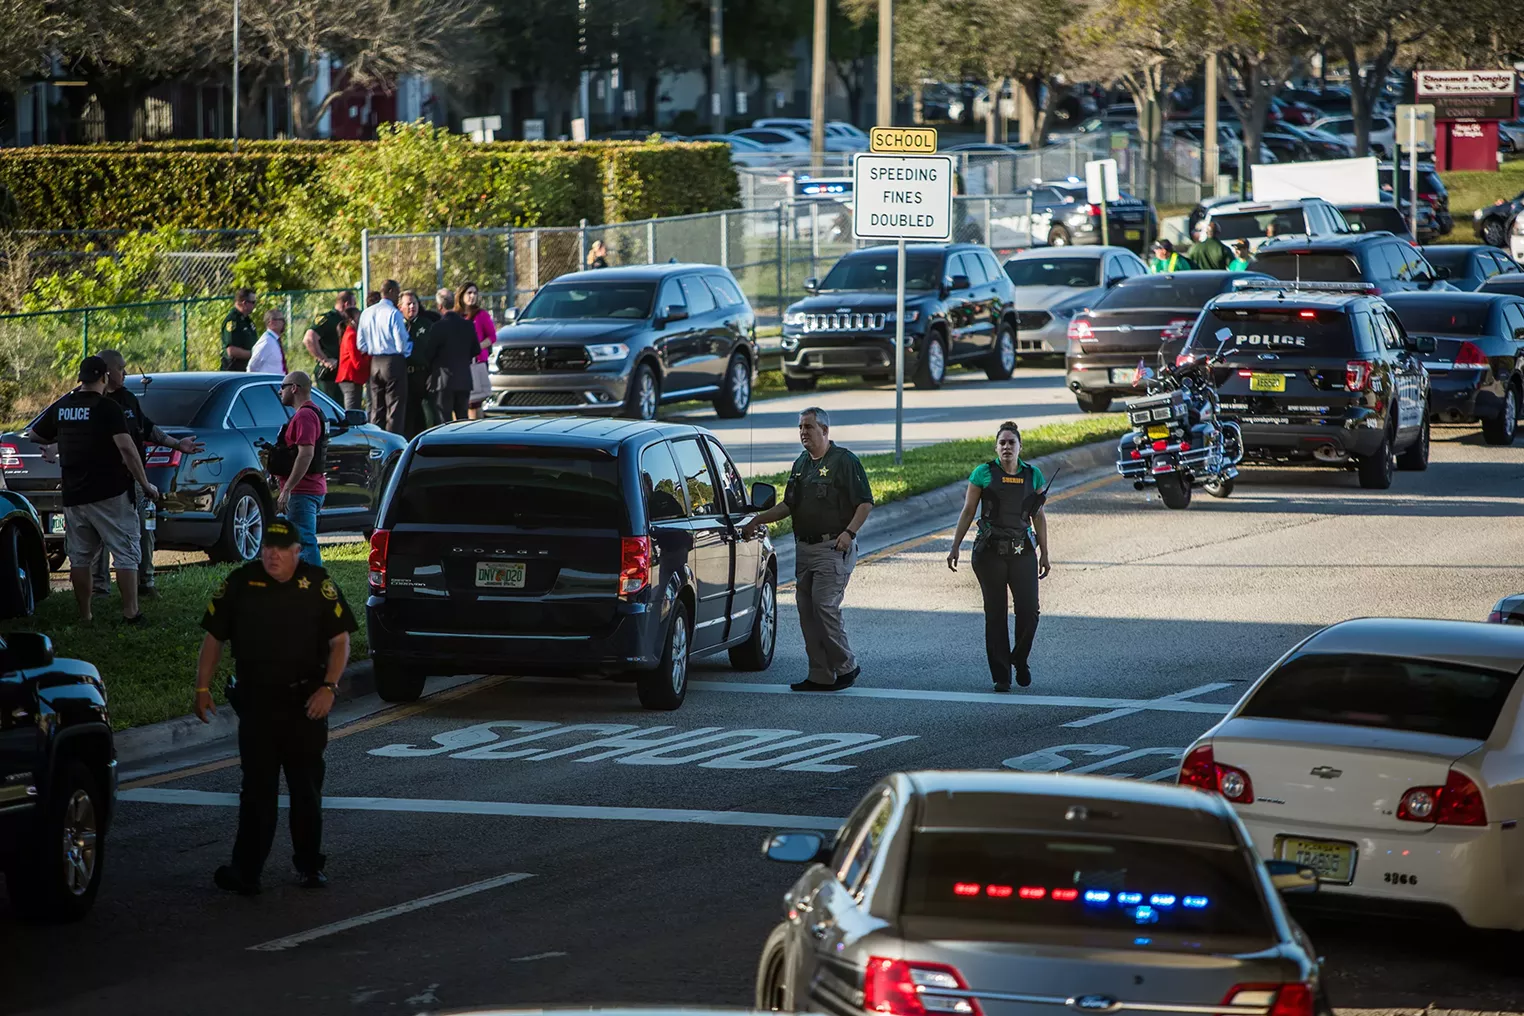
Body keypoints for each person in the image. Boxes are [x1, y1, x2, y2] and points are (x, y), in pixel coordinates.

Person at [193, 516, 358, 895]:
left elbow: (340, 641)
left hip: (305, 703)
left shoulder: (318, 585)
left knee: (305, 788)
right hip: (258, 703)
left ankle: (310, 865)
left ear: (297, 552)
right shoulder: (240, 583)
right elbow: (214, 638)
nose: (272, 555)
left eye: (281, 549)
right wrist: (203, 687)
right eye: (267, 547)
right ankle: (246, 871)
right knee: (256, 792)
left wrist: (329, 688)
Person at [741, 408, 873, 692]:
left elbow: (865, 503)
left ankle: (846, 665)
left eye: (809, 427)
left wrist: (849, 534)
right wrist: (757, 520)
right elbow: (789, 505)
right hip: (804, 548)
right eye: (800, 427)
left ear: (825, 430)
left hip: (833, 546)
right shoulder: (801, 463)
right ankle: (820, 674)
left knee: (824, 605)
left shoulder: (844, 461)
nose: (803, 432)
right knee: (806, 610)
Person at [27, 356, 160, 624]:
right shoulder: (107, 408)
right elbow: (126, 448)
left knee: (80, 556)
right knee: (126, 551)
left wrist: (65, 435)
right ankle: (131, 612)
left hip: (74, 495)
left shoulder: (63, 406)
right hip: (109, 492)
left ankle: (85, 614)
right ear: (103, 378)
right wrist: (145, 484)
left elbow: (35, 434)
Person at [87, 349, 202, 601]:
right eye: (121, 368)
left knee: (144, 527)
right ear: (107, 371)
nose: (125, 373)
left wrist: (177, 444)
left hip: (136, 479)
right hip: (103, 481)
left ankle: (145, 581)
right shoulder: (90, 402)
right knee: (102, 535)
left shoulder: (128, 399)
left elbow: (147, 428)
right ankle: (100, 588)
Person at [946, 422, 1052, 691]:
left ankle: (1019, 659)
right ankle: (1001, 675)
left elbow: (1038, 516)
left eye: (1011, 442)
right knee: (996, 614)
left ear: (1020, 447)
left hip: (1022, 552)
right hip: (990, 553)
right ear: (996, 447)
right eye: (1002, 443)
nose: (1007, 447)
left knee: (1029, 611)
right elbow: (969, 511)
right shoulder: (983, 473)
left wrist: (1045, 553)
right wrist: (955, 546)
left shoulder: (1033, 475)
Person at [270, 371, 327, 568]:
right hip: (306, 489)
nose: (280, 391)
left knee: (304, 542)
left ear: (294, 388)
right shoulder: (310, 413)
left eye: (283, 386)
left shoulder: (305, 416)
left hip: (303, 491)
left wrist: (288, 489)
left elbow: (306, 454)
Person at [356, 278, 411, 434]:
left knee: (376, 406)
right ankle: (394, 443)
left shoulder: (367, 313)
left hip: (375, 361)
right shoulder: (393, 313)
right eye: (397, 293)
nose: (398, 297)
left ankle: (376, 440)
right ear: (391, 291)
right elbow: (401, 344)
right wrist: (409, 349)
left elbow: (361, 344)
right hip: (393, 360)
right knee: (395, 406)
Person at [428, 287, 478, 421]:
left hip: (444, 380)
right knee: (463, 418)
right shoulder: (468, 325)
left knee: (444, 419)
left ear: (439, 306)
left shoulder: (438, 327)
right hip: (464, 379)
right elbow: (476, 350)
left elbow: (429, 353)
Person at [302, 291, 355, 403]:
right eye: (353, 304)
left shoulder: (345, 320)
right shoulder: (328, 319)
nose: (354, 308)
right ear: (346, 304)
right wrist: (324, 359)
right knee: (332, 407)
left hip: (341, 372)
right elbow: (309, 338)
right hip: (329, 373)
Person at [401, 290, 441, 437]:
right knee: (408, 415)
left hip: (423, 374)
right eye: (408, 304)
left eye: (415, 303)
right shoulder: (398, 324)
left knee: (429, 414)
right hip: (405, 375)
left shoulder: (426, 324)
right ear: (401, 307)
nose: (412, 307)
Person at [458, 280, 496, 419]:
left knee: (475, 402)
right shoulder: (456, 315)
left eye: (475, 293)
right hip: (460, 364)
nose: (472, 296)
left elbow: (492, 336)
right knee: (461, 402)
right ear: (462, 295)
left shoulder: (481, 315)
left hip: (477, 362)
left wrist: (476, 347)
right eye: (469, 293)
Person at [335, 306, 368, 411]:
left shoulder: (351, 334)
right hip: (350, 379)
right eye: (359, 317)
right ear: (351, 320)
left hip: (352, 379)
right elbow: (357, 363)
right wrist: (371, 358)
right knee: (352, 412)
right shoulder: (351, 335)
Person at [221, 288, 258, 371]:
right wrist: (254, 354)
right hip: (234, 371)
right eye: (253, 302)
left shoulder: (247, 320)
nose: (254, 305)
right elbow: (231, 351)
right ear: (244, 303)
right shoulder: (233, 321)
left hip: (246, 369)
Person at [247, 308, 288, 375]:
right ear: (271, 322)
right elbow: (252, 366)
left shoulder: (274, 341)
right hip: (268, 383)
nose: (284, 322)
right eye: (281, 320)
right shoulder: (266, 342)